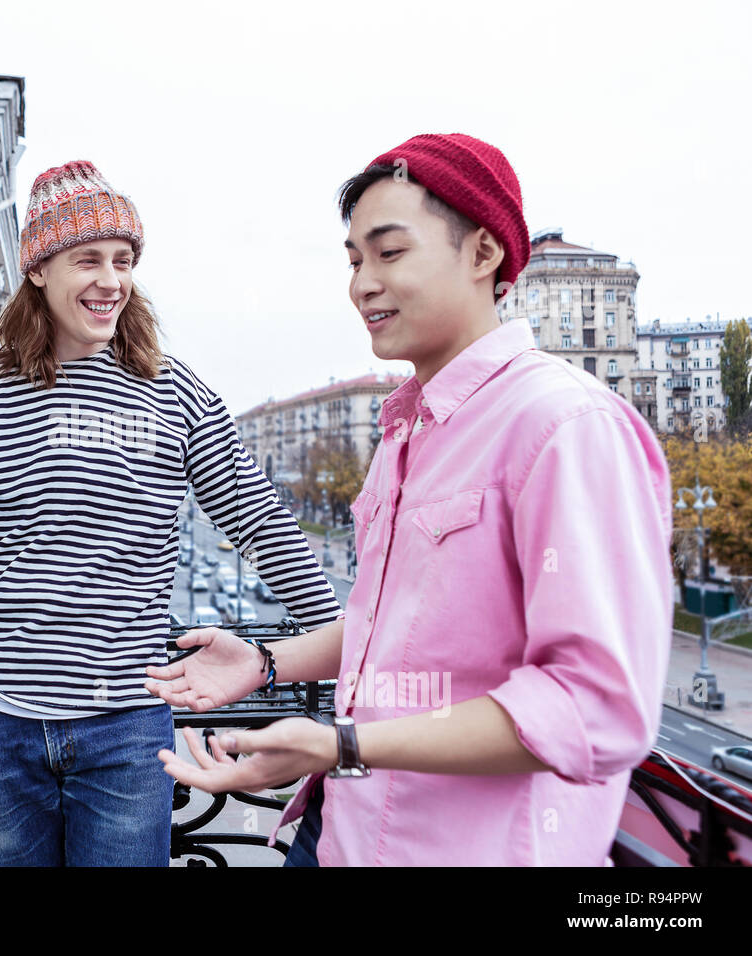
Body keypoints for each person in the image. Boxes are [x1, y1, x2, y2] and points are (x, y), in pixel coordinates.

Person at [149, 133, 673, 866]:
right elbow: (386, 625)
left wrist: (344, 744)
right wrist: (268, 662)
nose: (362, 284)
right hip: (341, 832)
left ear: (484, 254)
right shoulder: (408, 429)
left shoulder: (565, 426)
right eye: (355, 260)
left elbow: (594, 710)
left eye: (389, 253)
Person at [0, 160, 342, 867]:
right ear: (39, 270)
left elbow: (258, 521)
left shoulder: (173, 393)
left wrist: (336, 636)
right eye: (88, 259)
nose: (111, 279)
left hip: (128, 730)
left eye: (123, 260)